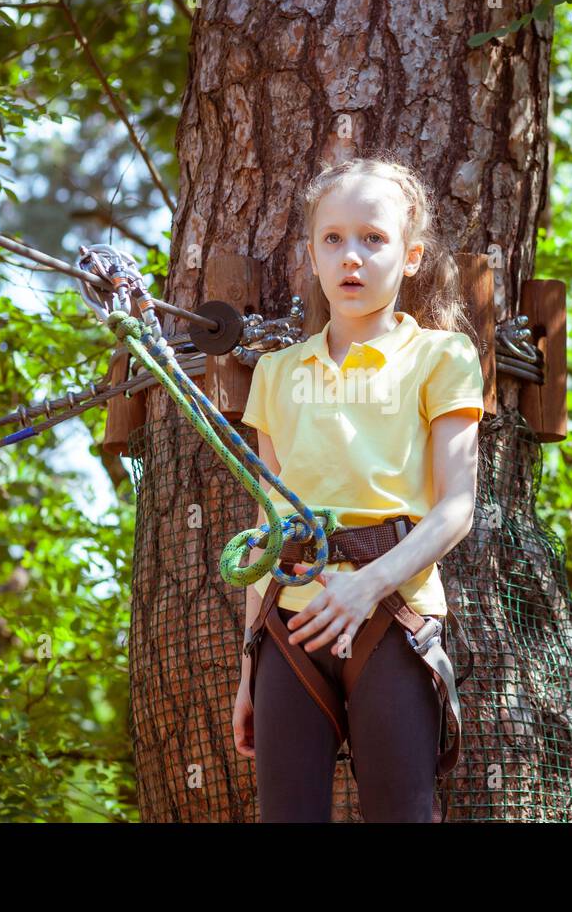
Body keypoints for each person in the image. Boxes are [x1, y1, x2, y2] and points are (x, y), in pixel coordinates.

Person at [231, 155, 485, 822]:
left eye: (374, 239)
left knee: (403, 812)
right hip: (293, 622)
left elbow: (457, 505)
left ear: (409, 257)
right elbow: (271, 529)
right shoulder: (278, 374)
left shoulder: (441, 357)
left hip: (393, 610)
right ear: (311, 255)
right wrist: (249, 664)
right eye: (334, 239)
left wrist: (368, 586)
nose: (353, 257)